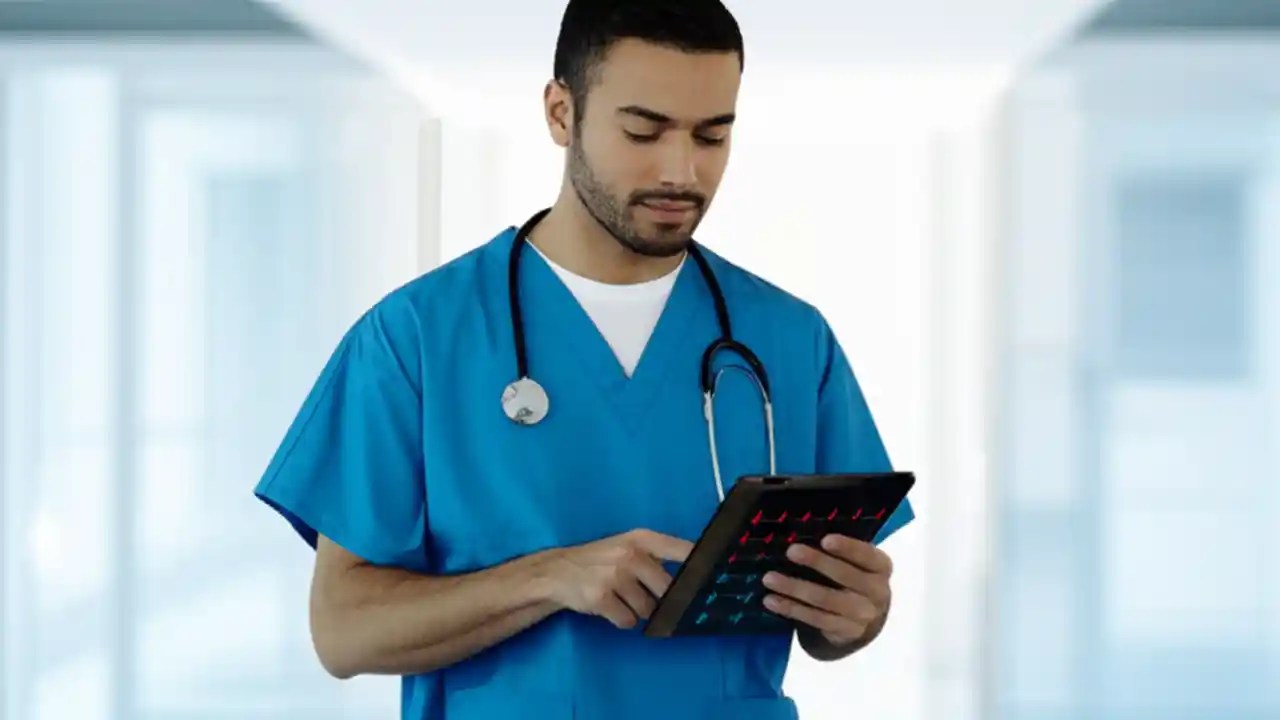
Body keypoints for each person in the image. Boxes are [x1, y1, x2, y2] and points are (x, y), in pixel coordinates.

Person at [254, 1, 915, 718]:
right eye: (643, 130)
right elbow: (344, 632)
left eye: (712, 135)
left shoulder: (789, 340)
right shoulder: (416, 338)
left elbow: (831, 621)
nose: (681, 170)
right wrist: (550, 578)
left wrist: (856, 617)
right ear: (561, 113)